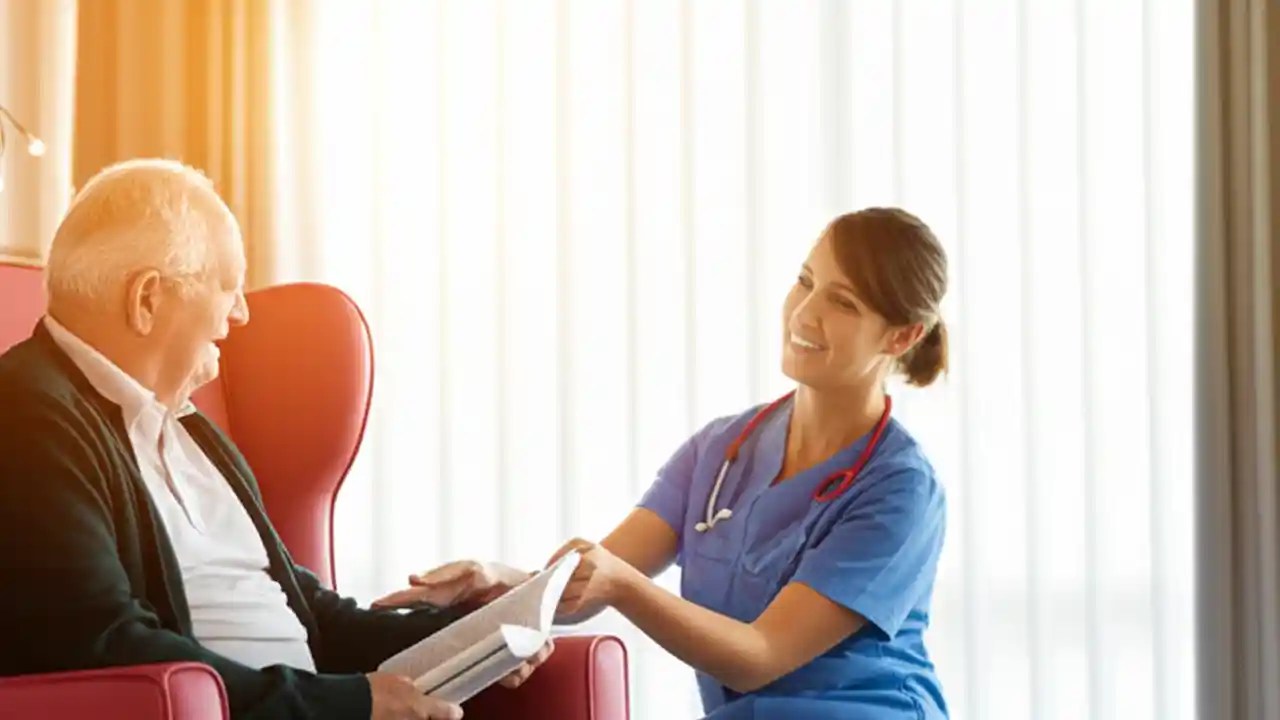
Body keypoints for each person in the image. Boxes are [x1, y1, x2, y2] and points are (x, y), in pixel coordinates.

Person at [0, 159, 550, 720]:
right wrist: (348, 705)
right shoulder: (28, 416)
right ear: (147, 299)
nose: (240, 313)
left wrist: (470, 635)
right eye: (228, 287)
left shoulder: (190, 430)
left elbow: (309, 615)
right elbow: (104, 645)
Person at [384, 208, 951, 719]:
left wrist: (623, 587)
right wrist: (499, 581)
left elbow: (760, 656)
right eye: (805, 281)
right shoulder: (721, 451)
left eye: (843, 302)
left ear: (902, 336)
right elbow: (592, 581)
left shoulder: (900, 490)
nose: (805, 313)